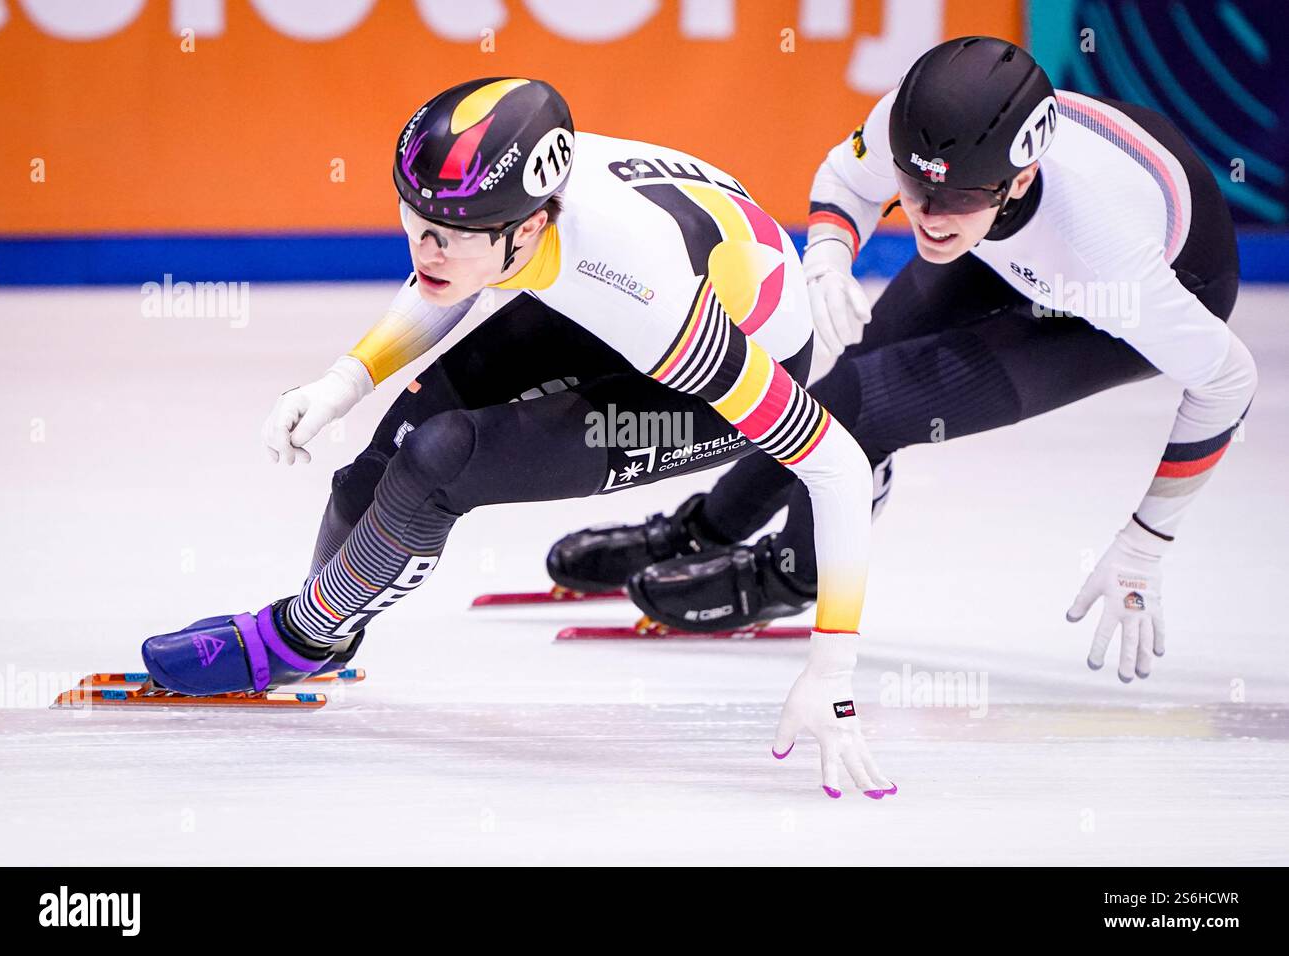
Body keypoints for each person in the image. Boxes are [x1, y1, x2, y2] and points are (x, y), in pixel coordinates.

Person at [139, 76, 896, 799]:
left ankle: (296, 639)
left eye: (449, 234)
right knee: (371, 472)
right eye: (414, 220)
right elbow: (448, 278)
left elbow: (837, 464)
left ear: (531, 226)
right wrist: (343, 382)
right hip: (617, 298)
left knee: (439, 460)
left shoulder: (647, 292)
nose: (423, 249)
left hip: (711, 360)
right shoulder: (505, 210)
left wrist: (832, 667)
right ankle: (329, 624)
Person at [548, 36, 1257, 684]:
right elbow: (847, 181)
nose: (929, 216)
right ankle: (706, 529)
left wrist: (1146, 541)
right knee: (832, 380)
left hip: (1126, 304)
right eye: (915, 190)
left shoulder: (1107, 251)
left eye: (957, 198)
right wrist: (827, 261)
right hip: (1016, 242)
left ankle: (790, 577)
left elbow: (1229, 380)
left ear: (1020, 177)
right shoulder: (915, 126)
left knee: (865, 404)